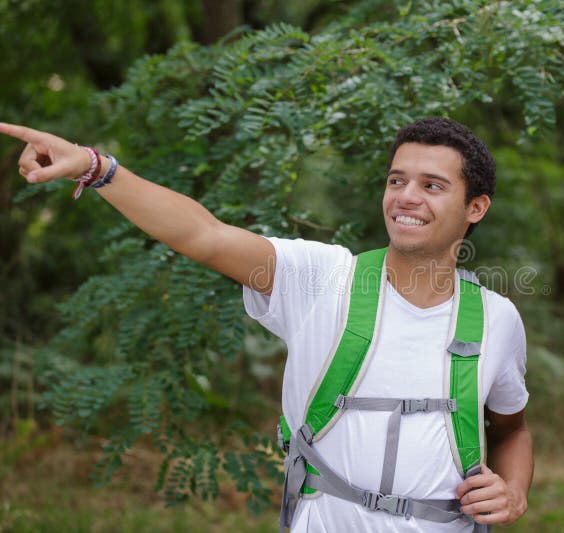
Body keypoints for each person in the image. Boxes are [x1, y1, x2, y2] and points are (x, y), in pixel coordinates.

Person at [0, 116, 533, 531]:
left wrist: (513, 491)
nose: (406, 196)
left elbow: (511, 429)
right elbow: (204, 236)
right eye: (397, 180)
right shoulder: (321, 279)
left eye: (432, 185)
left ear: (476, 207)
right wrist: (96, 168)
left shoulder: (497, 319)